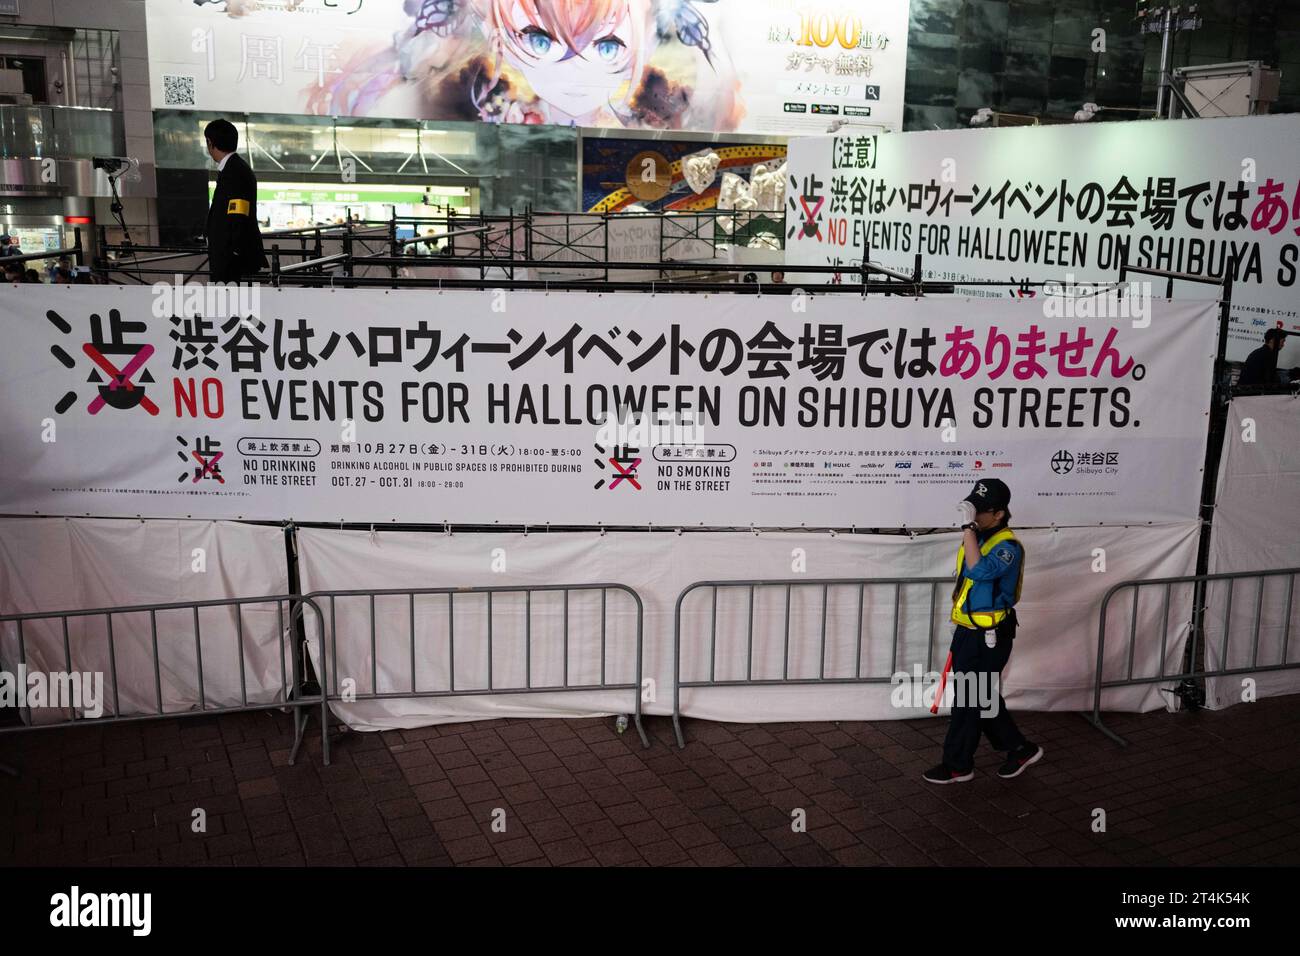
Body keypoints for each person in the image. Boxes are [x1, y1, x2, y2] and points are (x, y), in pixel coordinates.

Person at [924, 478, 1043, 784]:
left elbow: (979, 571)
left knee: (968, 700)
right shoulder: (981, 538)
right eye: (970, 510)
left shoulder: (1008, 547)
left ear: (999, 514)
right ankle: (1020, 748)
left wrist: (968, 530)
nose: (972, 516)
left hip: (990, 636)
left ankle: (957, 765)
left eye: (979, 512)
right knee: (979, 696)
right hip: (970, 631)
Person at [203, 118, 267, 283]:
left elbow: (238, 213)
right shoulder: (235, 168)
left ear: (210, 143)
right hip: (233, 257)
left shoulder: (234, 172)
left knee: (232, 305)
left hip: (233, 261)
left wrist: (233, 250)